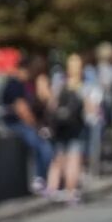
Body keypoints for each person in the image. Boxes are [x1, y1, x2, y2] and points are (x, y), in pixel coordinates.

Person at [0, 59, 53, 190]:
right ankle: (39, 178)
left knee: (41, 144)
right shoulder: (15, 85)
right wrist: (36, 126)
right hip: (16, 124)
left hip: (20, 124)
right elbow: (22, 110)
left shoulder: (21, 84)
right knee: (41, 145)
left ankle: (41, 178)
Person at [46, 54, 87, 204]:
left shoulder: (59, 83)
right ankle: (71, 193)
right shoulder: (83, 86)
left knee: (58, 159)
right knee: (73, 160)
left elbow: (51, 105)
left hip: (60, 127)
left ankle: (51, 190)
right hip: (76, 127)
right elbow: (90, 108)